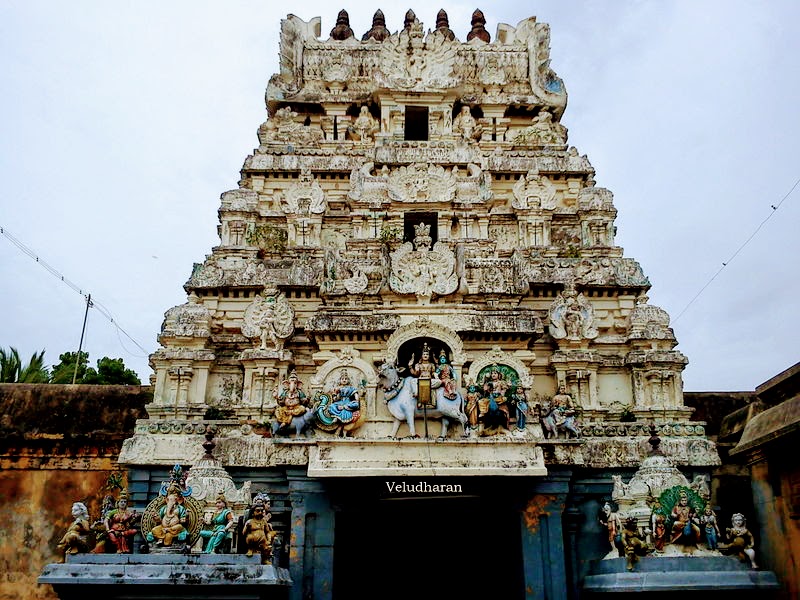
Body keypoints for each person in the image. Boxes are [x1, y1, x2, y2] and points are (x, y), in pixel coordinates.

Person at [408, 343, 436, 408]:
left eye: (427, 354)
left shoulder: (432, 365)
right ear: (421, 356)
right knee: (412, 380)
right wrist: (410, 366)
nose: (425, 355)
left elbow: (433, 373)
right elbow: (415, 374)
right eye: (424, 354)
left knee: (439, 382)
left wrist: (435, 373)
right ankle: (416, 393)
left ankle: (432, 402)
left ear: (429, 356)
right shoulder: (418, 365)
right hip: (420, 380)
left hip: (429, 381)